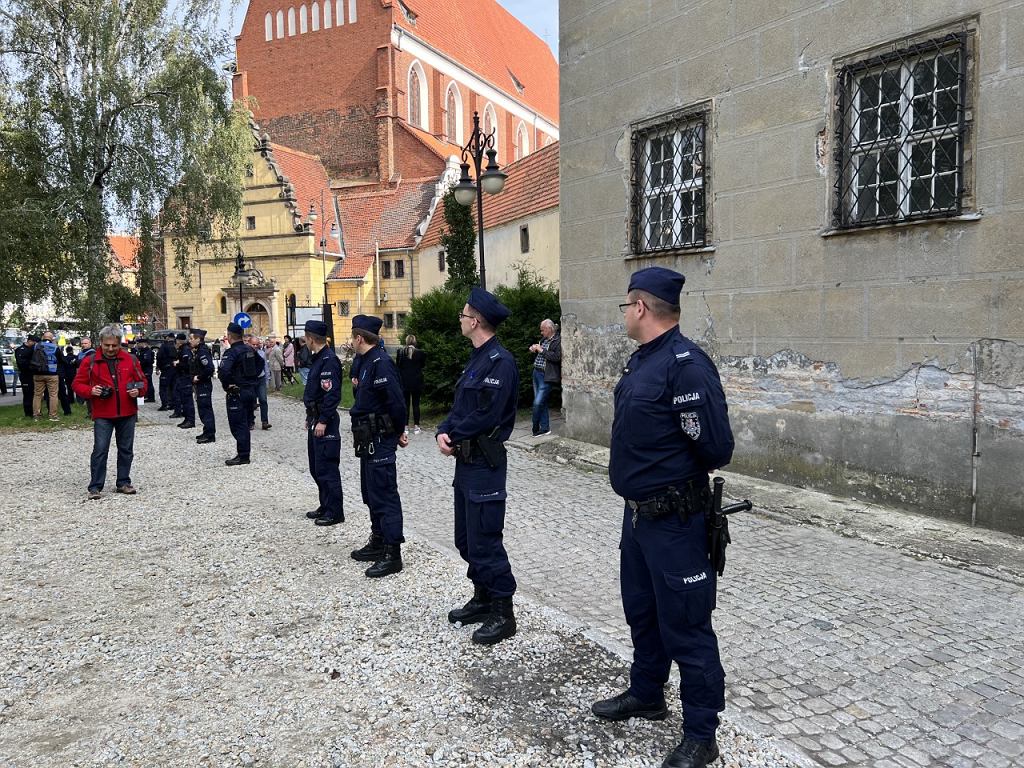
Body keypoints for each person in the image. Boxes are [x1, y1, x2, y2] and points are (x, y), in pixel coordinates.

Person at [590, 267, 735, 768]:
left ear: (641, 308)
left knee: (688, 627)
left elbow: (716, 446)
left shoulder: (686, 365)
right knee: (643, 612)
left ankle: (701, 733)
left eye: (626, 306)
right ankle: (647, 693)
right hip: (639, 520)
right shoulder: (641, 362)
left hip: (676, 521)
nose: (625, 314)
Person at [436, 287, 520, 645]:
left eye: (464, 314)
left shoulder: (500, 362)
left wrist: (452, 435)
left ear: (477, 321)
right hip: (465, 462)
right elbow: (461, 408)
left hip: (484, 462)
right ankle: (483, 596)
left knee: (485, 539)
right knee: (465, 539)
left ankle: (503, 611)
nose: (460, 319)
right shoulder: (476, 358)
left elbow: (487, 414)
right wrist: (443, 429)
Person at [348, 315, 409, 577]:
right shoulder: (365, 361)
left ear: (360, 338)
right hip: (366, 437)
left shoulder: (381, 363)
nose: (351, 341)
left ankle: (392, 553)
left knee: (385, 494)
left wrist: (399, 431)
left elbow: (396, 402)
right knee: (370, 493)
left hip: (381, 437)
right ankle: (378, 540)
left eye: (352, 337)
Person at [72, 324, 147, 499]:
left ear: (120, 343)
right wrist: (91, 391)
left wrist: (139, 391)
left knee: (126, 449)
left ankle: (123, 482)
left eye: (114, 345)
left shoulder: (131, 359)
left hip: (127, 412)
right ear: (101, 343)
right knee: (100, 449)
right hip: (103, 414)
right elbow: (77, 384)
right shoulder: (89, 361)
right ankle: (95, 487)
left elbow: (143, 382)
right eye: (107, 345)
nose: (111, 349)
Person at [301, 319, 345, 527]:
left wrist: (323, 420)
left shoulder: (328, 360)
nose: (304, 341)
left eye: (305, 338)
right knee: (316, 467)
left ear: (311, 338)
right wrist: (310, 417)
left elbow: (332, 394)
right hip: (315, 418)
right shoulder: (318, 358)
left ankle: (335, 511)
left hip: (324, 421)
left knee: (327, 468)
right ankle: (325, 504)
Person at [218, 322, 260, 466]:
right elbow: (260, 364)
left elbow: (223, 371)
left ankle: (243, 455)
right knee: (246, 422)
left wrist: (227, 384)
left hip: (237, 392)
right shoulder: (250, 350)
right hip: (250, 391)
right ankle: (244, 453)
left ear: (229, 336)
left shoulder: (232, 352)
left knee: (238, 424)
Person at [528, 319, 561, 436]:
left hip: (546, 375)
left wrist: (541, 350)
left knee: (537, 403)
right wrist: (534, 348)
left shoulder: (558, 340)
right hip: (536, 373)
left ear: (549, 329)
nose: (541, 333)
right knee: (542, 402)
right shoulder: (544, 339)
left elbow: (557, 357)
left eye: (542, 330)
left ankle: (535, 427)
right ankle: (545, 428)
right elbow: (540, 352)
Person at [189, 329, 217, 444]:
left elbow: (209, 368)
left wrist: (199, 377)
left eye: (191, 338)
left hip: (203, 384)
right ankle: (207, 430)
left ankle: (210, 434)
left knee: (205, 409)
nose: (190, 341)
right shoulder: (198, 350)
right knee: (202, 409)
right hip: (200, 385)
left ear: (198, 339)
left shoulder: (202, 352)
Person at [395, 334, 426, 435]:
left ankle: (405, 427)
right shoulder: (420, 353)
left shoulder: (401, 352)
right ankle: (417, 426)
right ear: (415, 341)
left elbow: (398, 366)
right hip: (416, 381)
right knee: (416, 404)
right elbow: (422, 365)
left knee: (406, 404)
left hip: (404, 382)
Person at [31, 330, 61, 421]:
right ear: (52, 338)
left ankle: (36, 415)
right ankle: (53, 415)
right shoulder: (55, 347)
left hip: (38, 373)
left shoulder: (36, 346)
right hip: (52, 374)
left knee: (37, 395)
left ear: (43, 337)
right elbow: (60, 359)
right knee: (53, 395)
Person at [247, 334, 271, 430]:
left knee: (263, 400)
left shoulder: (261, 353)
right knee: (251, 401)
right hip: (251, 379)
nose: (255, 346)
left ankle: (264, 421)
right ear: (249, 344)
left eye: (257, 344)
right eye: (253, 344)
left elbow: (265, 366)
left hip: (261, 378)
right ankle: (251, 421)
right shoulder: (246, 353)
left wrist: (267, 379)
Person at [173, 332, 195, 429]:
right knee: (183, 399)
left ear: (179, 341)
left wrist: (177, 364)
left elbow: (187, 365)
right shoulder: (182, 349)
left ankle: (190, 420)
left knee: (187, 400)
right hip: (181, 377)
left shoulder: (185, 350)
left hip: (185, 377)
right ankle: (187, 419)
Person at [14, 335, 38, 417]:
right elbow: (21, 364)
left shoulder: (33, 350)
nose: (35, 344)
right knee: (28, 394)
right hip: (26, 375)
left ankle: (35, 411)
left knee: (35, 394)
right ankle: (28, 413)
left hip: (34, 375)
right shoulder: (20, 350)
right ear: (30, 341)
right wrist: (31, 364)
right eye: (34, 342)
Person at [155, 335, 177, 411]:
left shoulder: (164, 346)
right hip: (174, 369)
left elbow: (159, 357)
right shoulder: (175, 345)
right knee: (173, 387)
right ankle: (173, 404)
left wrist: (158, 367)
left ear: (167, 338)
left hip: (165, 369)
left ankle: (165, 404)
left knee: (163, 388)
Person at [57, 339, 77, 415]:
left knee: (69, 388)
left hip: (67, 375)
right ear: (72, 350)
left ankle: (70, 399)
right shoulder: (75, 357)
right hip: (74, 374)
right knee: (76, 387)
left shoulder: (64, 358)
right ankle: (78, 400)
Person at [136, 338, 156, 402]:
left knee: (149, 383)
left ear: (143, 343)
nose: (137, 345)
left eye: (138, 343)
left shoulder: (148, 351)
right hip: (143, 369)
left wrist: (140, 362)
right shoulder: (141, 350)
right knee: (145, 383)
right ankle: (146, 396)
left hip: (147, 369)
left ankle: (151, 397)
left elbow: (148, 361)